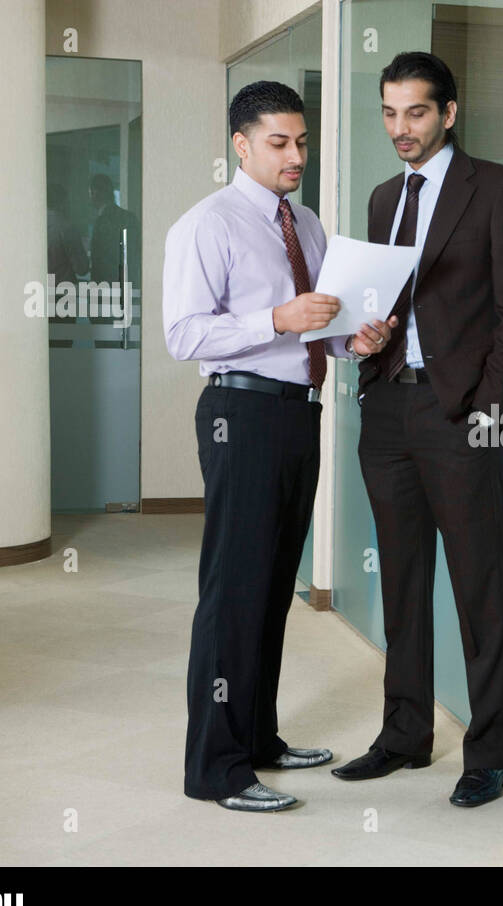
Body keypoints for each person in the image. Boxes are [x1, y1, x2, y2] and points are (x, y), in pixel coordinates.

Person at [163, 80, 398, 812]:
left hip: (299, 414)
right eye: (279, 142)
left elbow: (319, 328)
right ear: (241, 144)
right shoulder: (208, 224)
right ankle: (215, 767)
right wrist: (277, 316)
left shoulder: (309, 225)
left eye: (301, 141)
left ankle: (258, 738)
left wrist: (357, 339)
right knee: (232, 593)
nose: (296, 154)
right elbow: (184, 333)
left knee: (271, 590)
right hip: (241, 413)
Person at [329, 52, 503, 808]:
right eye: (389, 113)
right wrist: (368, 345)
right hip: (390, 408)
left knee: (481, 582)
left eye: (415, 112)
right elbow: (377, 302)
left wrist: (488, 409)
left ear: (448, 113)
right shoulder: (384, 196)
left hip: (463, 414)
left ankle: (490, 749)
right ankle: (403, 734)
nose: (400, 128)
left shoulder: (495, 188)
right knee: (402, 576)